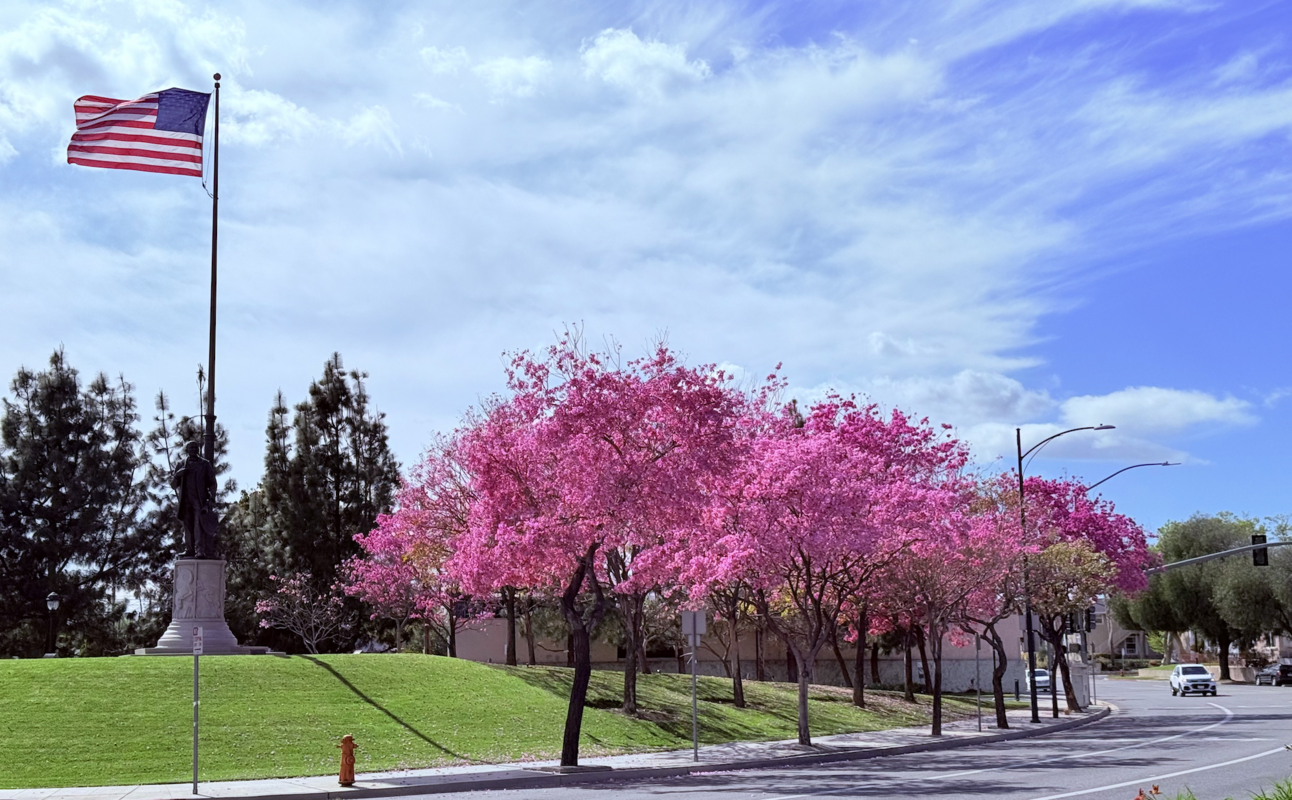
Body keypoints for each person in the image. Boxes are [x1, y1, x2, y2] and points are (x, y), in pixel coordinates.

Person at [172, 441, 218, 558]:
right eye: (191, 447)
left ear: (198, 449)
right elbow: (173, 485)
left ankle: (199, 550)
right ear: (187, 450)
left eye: (195, 447)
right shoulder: (181, 464)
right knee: (187, 526)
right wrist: (178, 474)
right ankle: (189, 549)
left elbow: (212, 483)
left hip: (199, 500)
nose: (193, 449)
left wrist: (211, 497)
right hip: (185, 501)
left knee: (199, 525)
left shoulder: (204, 464)